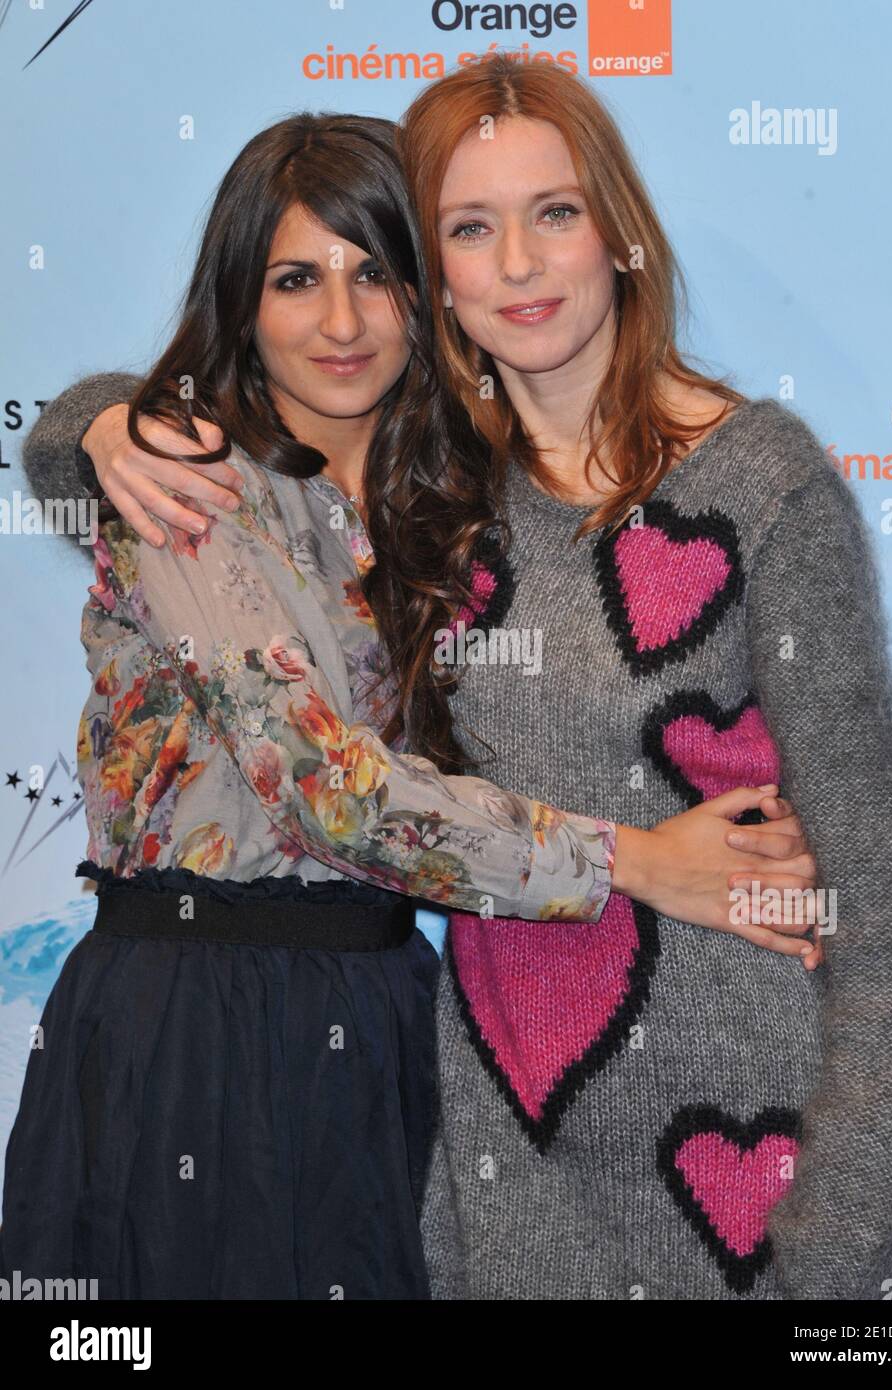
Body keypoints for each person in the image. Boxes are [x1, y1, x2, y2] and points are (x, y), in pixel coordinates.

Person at [4, 111, 819, 1302]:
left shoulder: (451, 497)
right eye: (296, 279)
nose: (341, 322)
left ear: (429, 294)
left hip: (386, 1011)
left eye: (375, 273)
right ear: (242, 297)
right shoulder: (191, 484)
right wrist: (639, 862)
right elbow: (333, 794)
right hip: (194, 1026)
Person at [381, 55, 892, 1301]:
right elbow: (110, 437)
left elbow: (886, 908)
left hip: (773, 1162)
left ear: (621, 233)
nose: (522, 265)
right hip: (522, 1178)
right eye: (471, 230)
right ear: (434, 277)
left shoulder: (761, 484)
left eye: (555, 212)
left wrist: (832, 1249)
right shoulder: (421, 500)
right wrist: (101, 424)